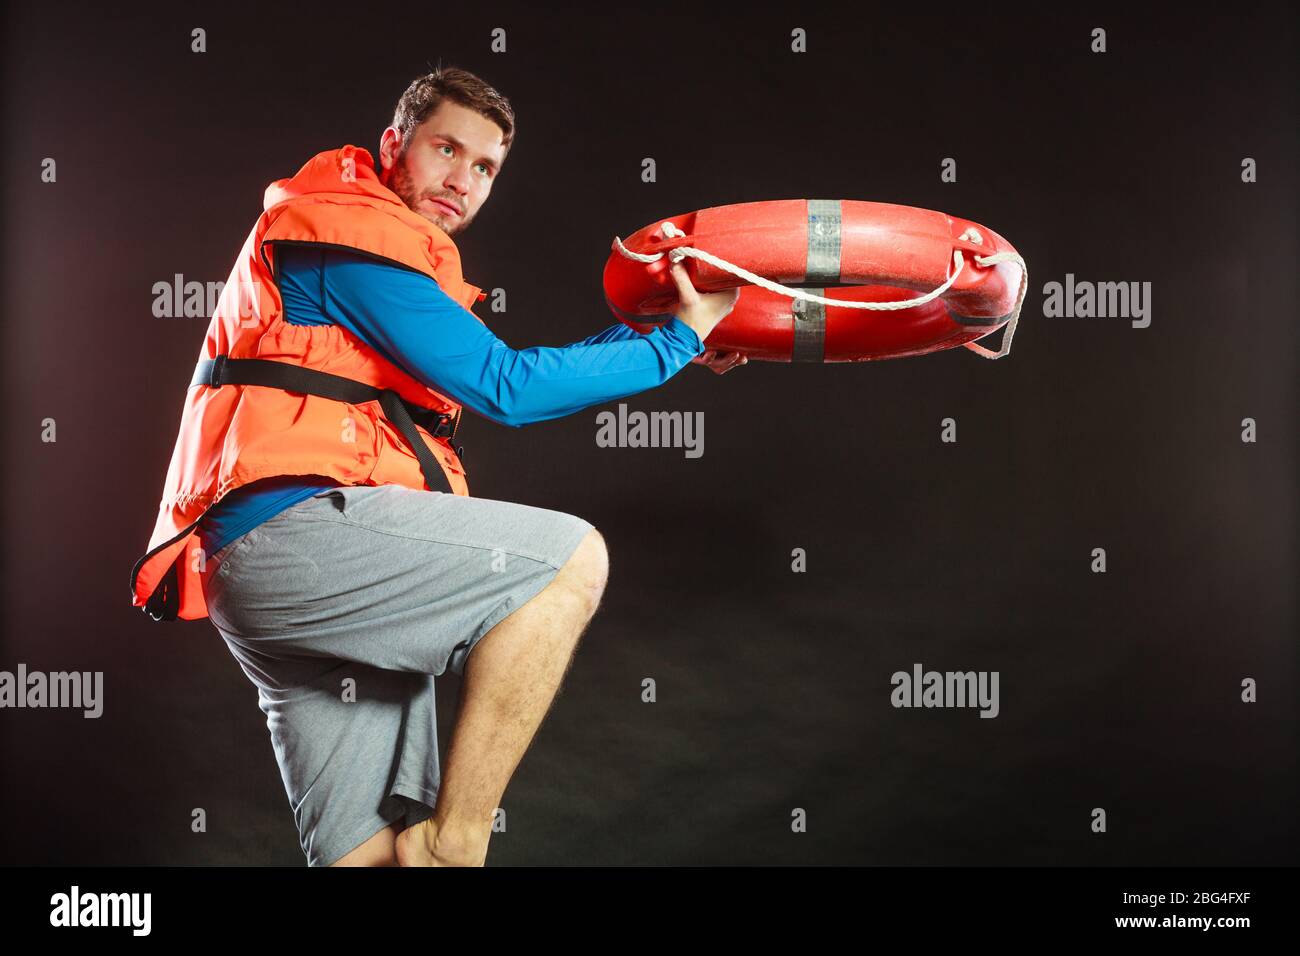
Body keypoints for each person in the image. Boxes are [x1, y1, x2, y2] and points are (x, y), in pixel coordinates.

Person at [129, 66, 742, 867]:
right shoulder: (343, 238)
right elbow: (508, 387)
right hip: (290, 538)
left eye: (484, 166)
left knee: (366, 860)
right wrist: (672, 344)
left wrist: (666, 345)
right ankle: (456, 842)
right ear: (395, 144)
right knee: (570, 560)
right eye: (445, 149)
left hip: (294, 577)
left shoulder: (375, 250)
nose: (463, 179)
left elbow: (504, 373)